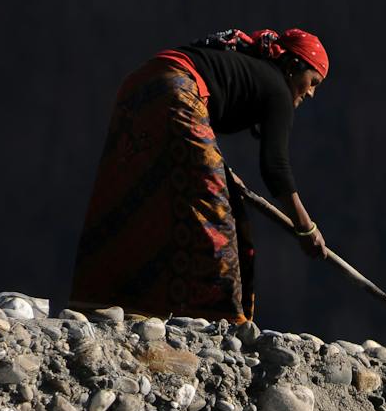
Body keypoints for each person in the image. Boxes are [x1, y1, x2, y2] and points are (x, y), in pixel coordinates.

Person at [69, 27, 331, 323]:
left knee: (138, 196)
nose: (311, 92)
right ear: (294, 65)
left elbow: (198, 127)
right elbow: (275, 166)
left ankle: (104, 299)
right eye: (313, 81)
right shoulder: (278, 90)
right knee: (213, 210)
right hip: (175, 88)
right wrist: (305, 228)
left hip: (138, 87)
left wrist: (220, 170)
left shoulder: (251, 73)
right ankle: (215, 316)